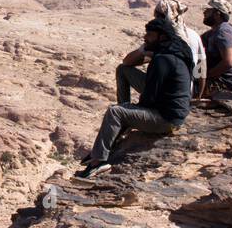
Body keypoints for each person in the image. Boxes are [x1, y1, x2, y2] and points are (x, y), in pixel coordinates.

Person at [78, 16, 194, 178]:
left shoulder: (163, 59)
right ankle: (119, 125)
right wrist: (144, 51)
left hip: (166, 119)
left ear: (162, 36)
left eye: (150, 35)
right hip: (168, 109)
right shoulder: (170, 51)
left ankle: (98, 162)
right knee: (123, 70)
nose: (145, 38)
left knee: (115, 112)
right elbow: (127, 63)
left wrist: (131, 112)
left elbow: (150, 96)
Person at [117, 0, 205, 103]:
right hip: (186, 93)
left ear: (160, 17)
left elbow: (127, 62)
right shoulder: (194, 35)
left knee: (122, 69)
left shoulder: (161, 37)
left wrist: (144, 50)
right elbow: (201, 68)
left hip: (166, 94)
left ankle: (123, 106)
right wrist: (198, 95)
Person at [200, 0, 232, 95]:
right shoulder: (214, 32)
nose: (204, 13)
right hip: (224, 81)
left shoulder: (223, 32)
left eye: (208, 10)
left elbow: (228, 62)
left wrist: (206, 75)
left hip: (226, 84)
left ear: (217, 14)